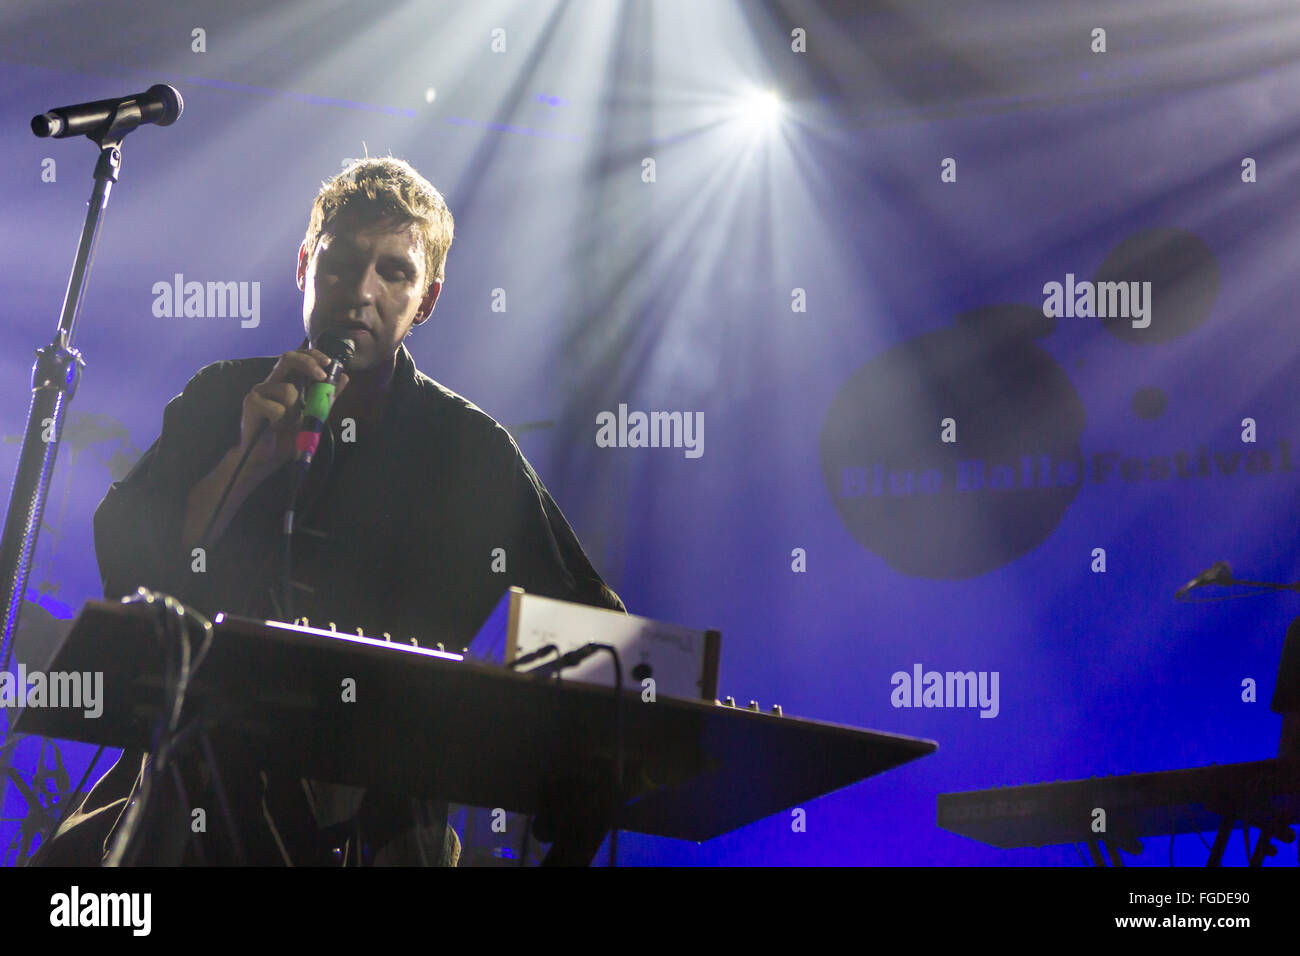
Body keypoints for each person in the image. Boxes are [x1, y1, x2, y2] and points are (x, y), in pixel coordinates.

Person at [38, 156, 626, 866]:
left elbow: (595, 626)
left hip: (387, 803)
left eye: (395, 273)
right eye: (342, 262)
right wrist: (251, 460)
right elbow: (132, 566)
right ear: (303, 267)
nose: (361, 291)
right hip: (193, 777)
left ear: (428, 299)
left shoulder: (469, 448)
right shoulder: (223, 396)